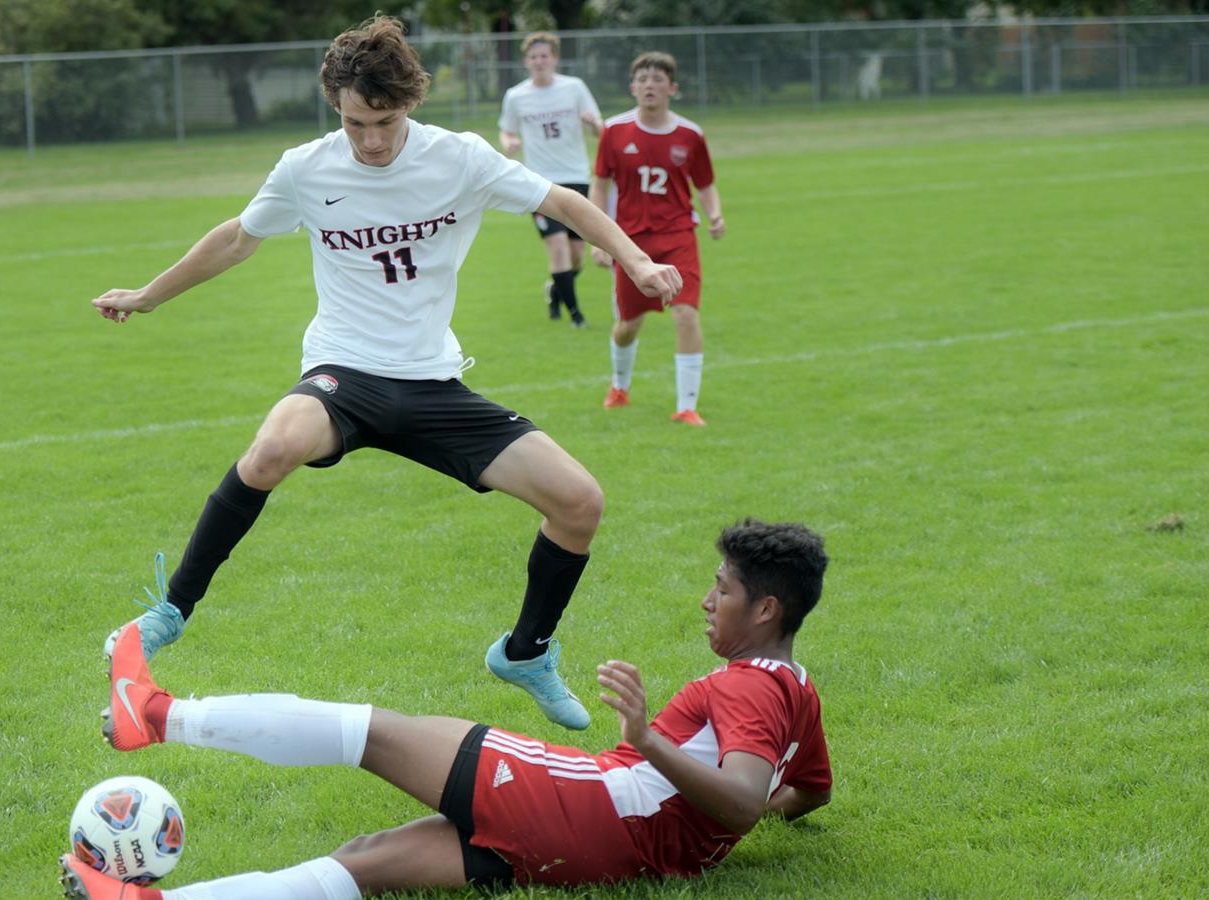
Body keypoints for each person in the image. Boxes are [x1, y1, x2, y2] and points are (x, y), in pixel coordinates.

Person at [88, 16, 682, 730]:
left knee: (580, 502)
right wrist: (149, 295)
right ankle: (170, 612)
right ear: (335, 108)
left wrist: (636, 260)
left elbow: (562, 201)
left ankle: (526, 653)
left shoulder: (459, 158)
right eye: (353, 123)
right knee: (272, 447)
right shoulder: (305, 168)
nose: (369, 140)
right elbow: (238, 239)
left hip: (432, 382)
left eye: (384, 122)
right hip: (345, 372)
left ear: (411, 103)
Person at [60, 519, 833, 900]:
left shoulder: (745, 686)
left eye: (723, 590)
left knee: (367, 732)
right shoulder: (797, 689)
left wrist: (647, 741)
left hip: (582, 804)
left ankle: (153, 713)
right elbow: (806, 793)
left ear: (766, 608)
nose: (707, 600)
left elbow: (741, 801)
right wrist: (732, 817)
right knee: (367, 861)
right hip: (605, 849)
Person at [591, 53, 724, 426]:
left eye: (658, 79)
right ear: (633, 87)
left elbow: (705, 184)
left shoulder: (690, 135)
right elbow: (600, 185)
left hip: (679, 236)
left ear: (672, 88)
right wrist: (598, 239)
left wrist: (715, 214)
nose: (649, 85)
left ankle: (687, 406)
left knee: (686, 313)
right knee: (628, 325)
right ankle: (619, 386)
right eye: (643, 79)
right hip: (630, 242)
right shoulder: (614, 130)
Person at [497, 32, 603, 327]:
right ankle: (577, 317)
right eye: (533, 57)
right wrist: (509, 142)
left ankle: (556, 291)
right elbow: (507, 130)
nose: (539, 61)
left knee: (576, 254)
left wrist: (593, 124)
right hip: (540, 183)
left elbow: (599, 129)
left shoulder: (574, 88)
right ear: (526, 61)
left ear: (555, 58)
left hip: (577, 176)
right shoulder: (516, 95)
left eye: (544, 56)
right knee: (557, 247)